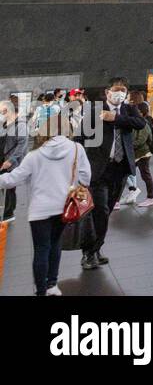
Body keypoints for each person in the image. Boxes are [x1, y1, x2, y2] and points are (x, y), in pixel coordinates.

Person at [0, 112, 90, 295]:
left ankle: (41, 291)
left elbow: (13, 179)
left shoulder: (34, 155)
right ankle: (52, 285)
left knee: (41, 249)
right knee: (55, 244)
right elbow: (86, 178)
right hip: (64, 207)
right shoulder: (77, 149)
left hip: (39, 210)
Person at [78, 77, 145, 271]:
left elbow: (141, 123)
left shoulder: (129, 110)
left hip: (120, 169)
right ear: (108, 92)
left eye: (123, 90)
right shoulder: (94, 110)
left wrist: (115, 118)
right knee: (99, 211)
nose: (120, 93)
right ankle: (88, 253)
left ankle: (96, 249)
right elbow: (80, 137)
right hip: (98, 170)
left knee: (106, 211)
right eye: (116, 89)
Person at [0, 98, 30, 221]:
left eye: (4, 111)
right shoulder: (7, 123)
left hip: (11, 161)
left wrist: (11, 161)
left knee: (10, 188)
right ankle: (6, 211)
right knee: (4, 186)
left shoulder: (21, 125)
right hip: (4, 158)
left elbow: (22, 145)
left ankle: (9, 213)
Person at [129, 95, 153, 208]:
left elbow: (141, 140)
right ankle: (132, 193)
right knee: (128, 174)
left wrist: (128, 145)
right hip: (139, 153)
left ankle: (151, 198)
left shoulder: (143, 124)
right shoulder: (140, 122)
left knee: (145, 176)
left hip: (142, 154)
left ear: (141, 112)